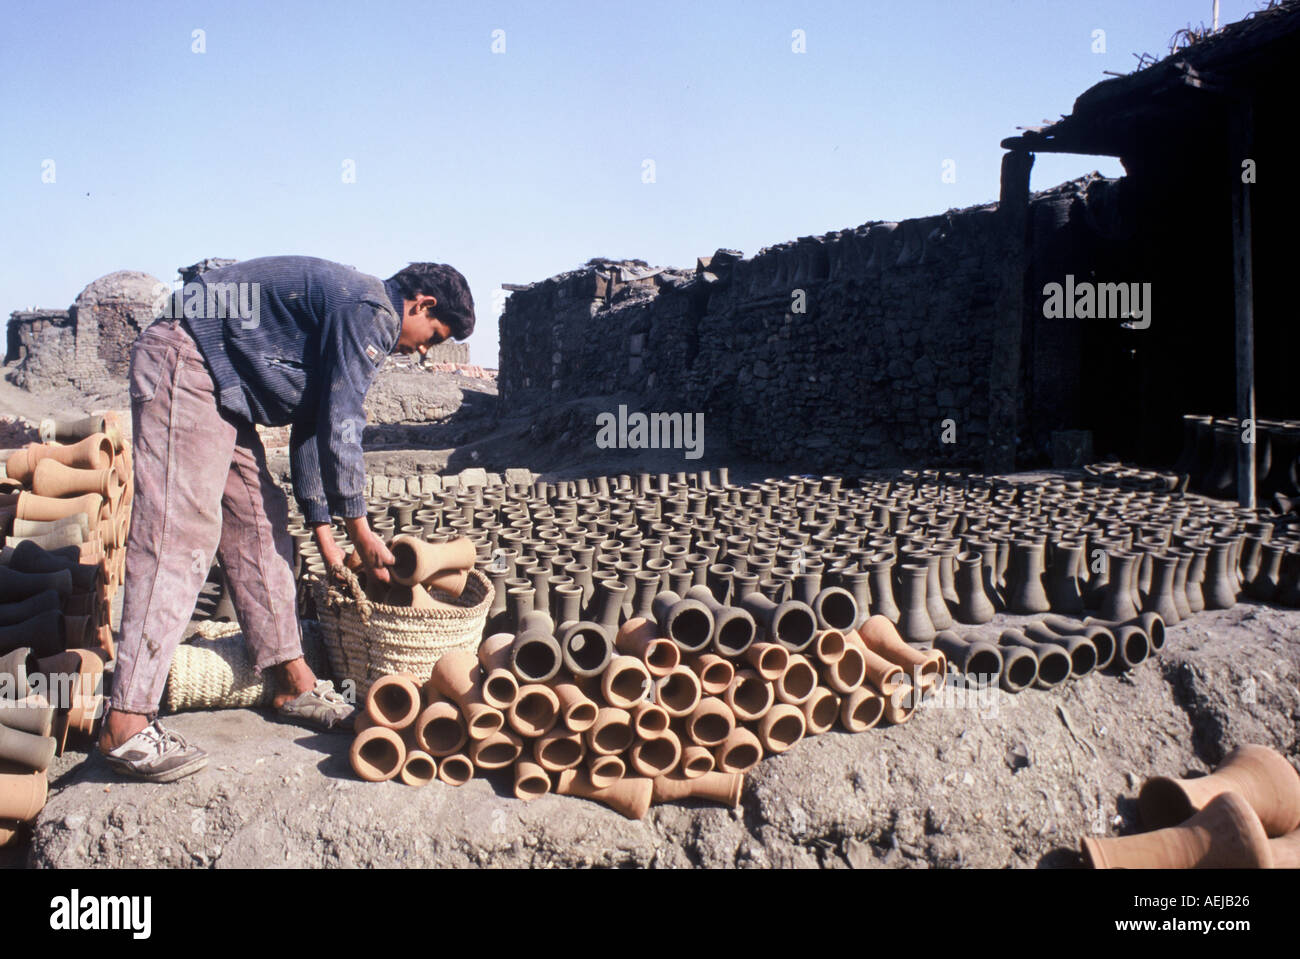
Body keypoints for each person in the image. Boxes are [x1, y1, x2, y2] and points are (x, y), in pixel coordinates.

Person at [98, 257, 475, 782]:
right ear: (422, 305)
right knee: (178, 531)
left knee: (260, 519)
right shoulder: (373, 310)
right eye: (433, 335)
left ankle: (291, 681)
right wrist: (360, 528)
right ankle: (128, 720)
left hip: (221, 382)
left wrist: (326, 536)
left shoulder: (352, 312)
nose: (422, 349)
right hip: (187, 357)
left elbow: (311, 429)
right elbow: (345, 423)